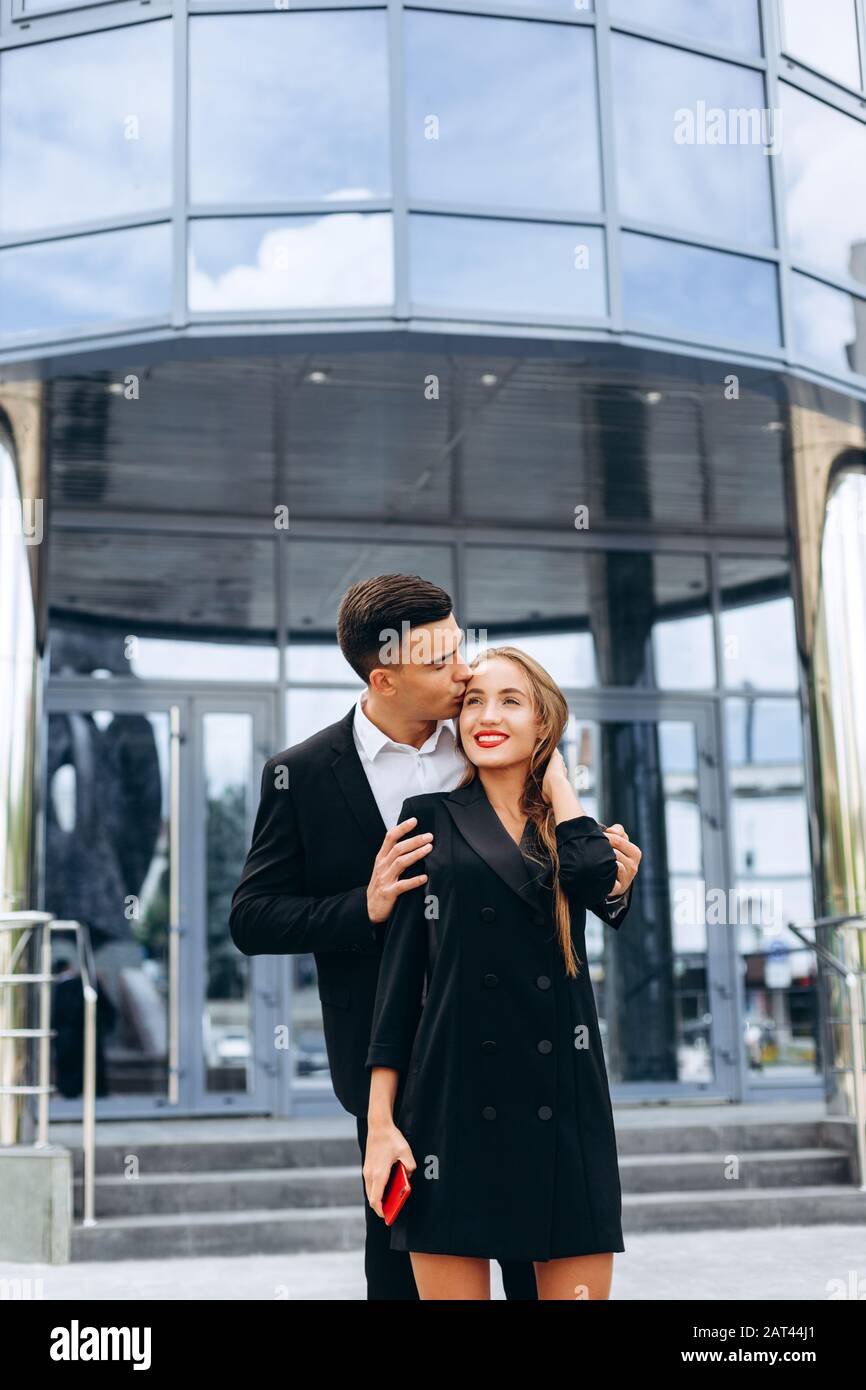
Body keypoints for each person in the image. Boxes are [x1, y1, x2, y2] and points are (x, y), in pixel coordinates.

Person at [230, 576, 640, 1300]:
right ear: (384, 677)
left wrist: (615, 884)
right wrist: (367, 904)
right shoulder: (301, 775)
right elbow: (253, 917)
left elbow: (563, 875)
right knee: (399, 1278)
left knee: (537, 1260)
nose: (464, 673)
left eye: (461, 649)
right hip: (397, 1061)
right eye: (441, 661)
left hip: (527, 1053)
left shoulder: (489, 737)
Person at [363, 646, 641, 1300]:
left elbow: (602, 886)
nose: (487, 716)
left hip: (564, 1108)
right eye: (473, 702)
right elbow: (399, 988)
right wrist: (381, 1126)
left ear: (543, 723)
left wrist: (560, 781)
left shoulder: (572, 834)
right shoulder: (427, 818)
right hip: (451, 1108)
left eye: (511, 701)